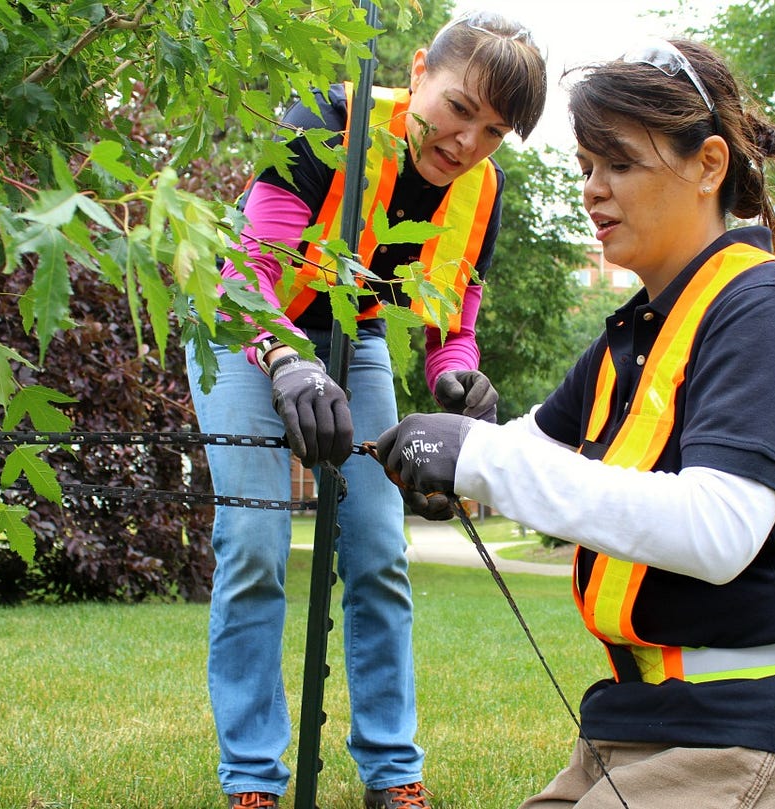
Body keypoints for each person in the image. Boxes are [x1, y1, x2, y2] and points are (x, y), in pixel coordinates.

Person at [374, 39, 775, 809]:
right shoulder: (638, 331)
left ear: (708, 165)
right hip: (643, 728)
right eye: (584, 166)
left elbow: (717, 531)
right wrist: (430, 451)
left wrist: (478, 461)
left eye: (618, 164)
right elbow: (526, 449)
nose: (591, 190)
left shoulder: (768, 308)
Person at [185, 12, 547, 809]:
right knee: (253, 542)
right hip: (244, 323)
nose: (466, 145)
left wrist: (460, 379)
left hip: (355, 334)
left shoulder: (482, 192)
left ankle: (392, 772)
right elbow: (253, 273)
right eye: (459, 110)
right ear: (419, 70)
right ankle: (253, 779)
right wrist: (285, 362)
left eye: (494, 131)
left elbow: (456, 330)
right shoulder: (325, 119)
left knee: (381, 550)